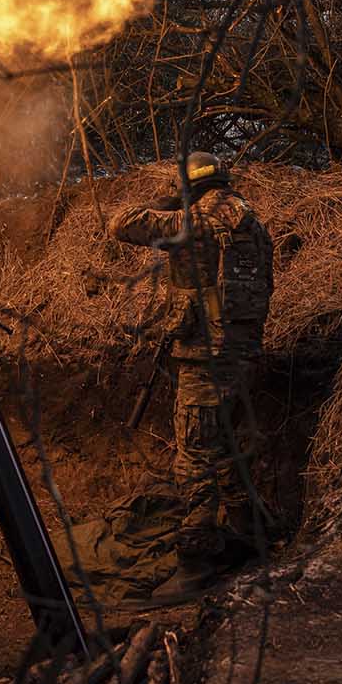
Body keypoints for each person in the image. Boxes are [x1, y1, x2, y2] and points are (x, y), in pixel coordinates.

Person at [108, 151, 274, 599]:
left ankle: (196, 561)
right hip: (243, 353)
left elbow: (121, 223)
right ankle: (249, 535)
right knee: (227, 447)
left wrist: (167, 200)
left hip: (206, 358)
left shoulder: (193, 221)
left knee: (196, 456)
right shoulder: (252, 223)